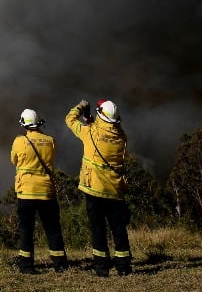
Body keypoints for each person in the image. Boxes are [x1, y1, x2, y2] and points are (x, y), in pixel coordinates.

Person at [65, 98, 132, 277]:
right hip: (115, 191)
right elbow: (106, 131)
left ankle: (101, 267)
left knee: (98, 229)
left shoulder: (89, 133)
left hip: (94, 189)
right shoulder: (121, 137)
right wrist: (92, 118)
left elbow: (69, 120)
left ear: (101, 116)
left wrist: (80, 107)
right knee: (118, 229)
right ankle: (123, 267)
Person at [10, 109, 68, 274]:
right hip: (46, 191)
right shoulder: (50, 140)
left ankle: (26, 266)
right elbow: (52, 157)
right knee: (53, 228)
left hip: (26, 192)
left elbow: (13, 160)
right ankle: (60, 265)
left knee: (26, 229)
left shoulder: (19, 141)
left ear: (24, 125)